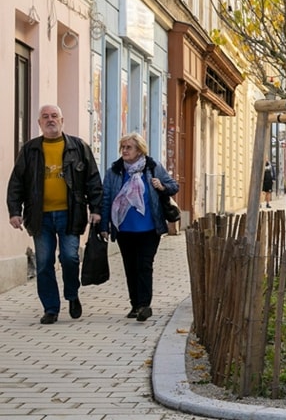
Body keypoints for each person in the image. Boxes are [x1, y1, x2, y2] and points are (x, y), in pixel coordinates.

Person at [7, 104, 104, 324]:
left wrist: (96, 210)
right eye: (45, 117)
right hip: (40, 217)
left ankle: (72, 295)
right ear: (39, 123)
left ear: (62, 120)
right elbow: (16, 183)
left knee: (70, 258)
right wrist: (15, 211)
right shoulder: (30, 150)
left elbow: (93, 181)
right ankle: (50, 308)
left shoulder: (79, 147)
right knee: (44, 263)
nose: (50, 120)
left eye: (54, 116)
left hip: (71, 214)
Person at [98, 133, 180, 322]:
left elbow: (173, 186)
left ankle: (144, 305)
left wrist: (161, 186)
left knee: (144, 265)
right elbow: (106, 199)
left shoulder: (152, 167)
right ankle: (135, 304)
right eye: (123, 147)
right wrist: (104, 226)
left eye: (129, 147)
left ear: (139, 150)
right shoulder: (114, 171)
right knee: (130, 267)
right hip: (124, 228)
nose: (125, 151)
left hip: (150, 228)